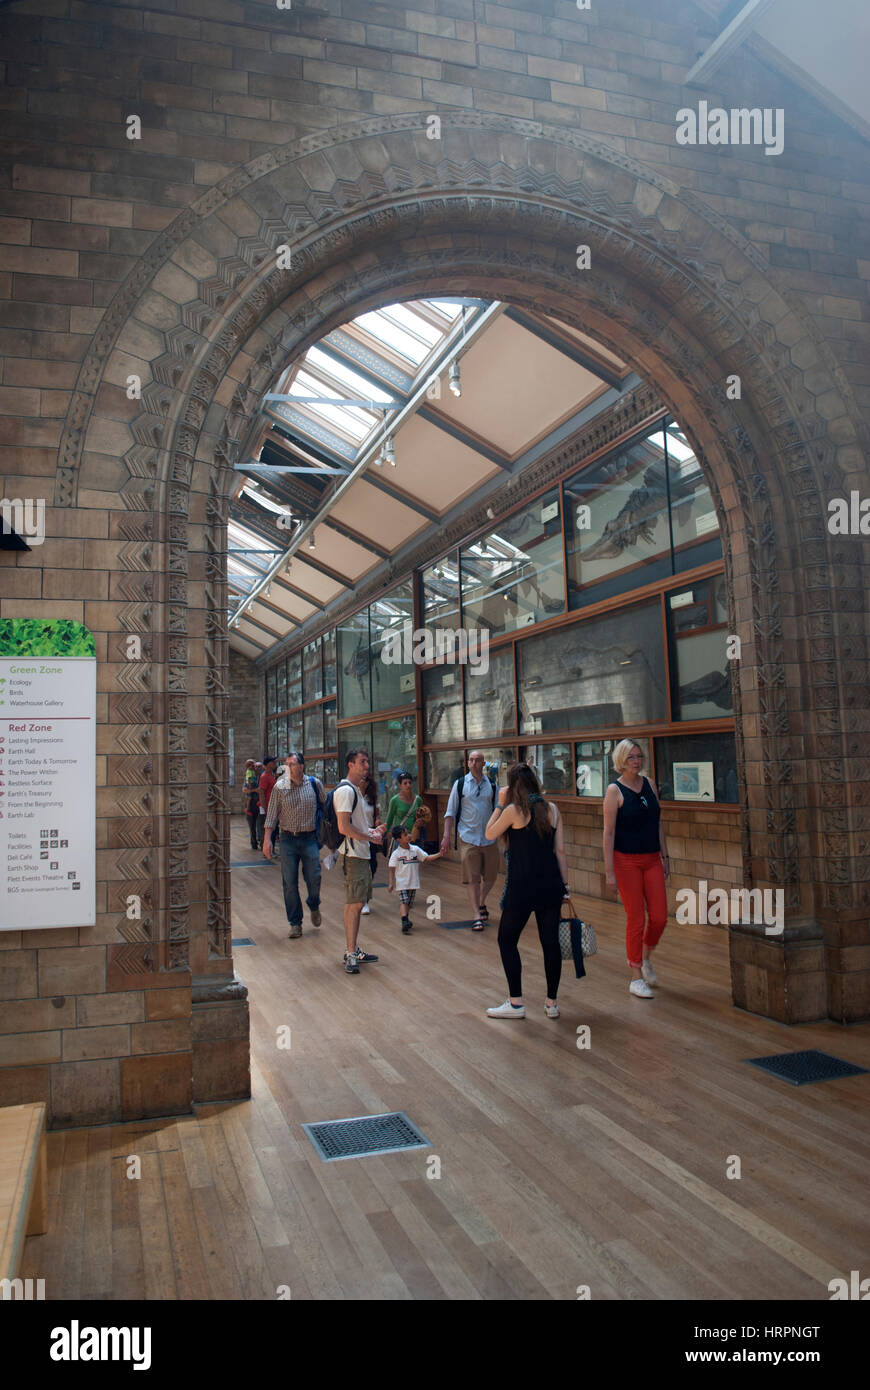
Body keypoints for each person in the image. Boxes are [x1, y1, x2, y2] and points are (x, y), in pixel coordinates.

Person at [482, 762, 571, 1020]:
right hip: (551, 886)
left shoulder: (512, 811)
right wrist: (566, 887)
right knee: (550, 944)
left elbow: (489, 833)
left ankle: (516, 1002)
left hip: (521, 888)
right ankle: (552, 1003)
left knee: (507, 940)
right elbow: (561, 852)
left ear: (513, 787)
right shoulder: (552, 809)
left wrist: (499, 804)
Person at [603, 739, 670, 999]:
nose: (637, 761)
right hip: (626, 861)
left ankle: (645, 956)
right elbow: (608, 834)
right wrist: (609, 872)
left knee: (660, 916)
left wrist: (665, 855)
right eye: (631, 757)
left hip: (652, 858)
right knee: (636, 918)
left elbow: (658, 824)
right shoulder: (614, 791)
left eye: (639, 756)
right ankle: (635, 976)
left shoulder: (650, 784)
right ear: (621, 760)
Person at [334, 748, 387, 975]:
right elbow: (343, 827)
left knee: (356, 901)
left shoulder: (355, 790)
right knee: (355, 903)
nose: (366, 766)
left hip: (361, 852)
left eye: (367, 761)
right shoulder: (346, 791)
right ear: (350, 764)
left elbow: (355, 825)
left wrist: (372, 831)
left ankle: (353, 949)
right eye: (362, 762)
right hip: (354, 855)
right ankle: (350, 952)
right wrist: (370, 836)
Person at [262, 751, 325, 939]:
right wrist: (267, 840)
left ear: (301, 766)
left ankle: (314, 904)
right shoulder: (279, 787)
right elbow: (271, 815)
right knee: (289, 883)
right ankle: (295, 923)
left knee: (314, 877)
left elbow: (325, 806)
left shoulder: (315, 784)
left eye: (292, 764)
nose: (288, 768)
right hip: (288, 839)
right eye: (286, 764)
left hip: (309, 838)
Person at [440, 750, 500, 931]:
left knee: (490, 877)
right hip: (468, 837)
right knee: (473, 878)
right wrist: (446, 836)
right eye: (471, 760)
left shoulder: (492, 784)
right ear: (467, 763)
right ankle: (476, 915)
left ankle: (481, 901)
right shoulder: (460, 785)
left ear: (483, 763)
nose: (474, 763)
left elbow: (498, 810)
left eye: (478, 760)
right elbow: (450, 812)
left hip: (489, 838)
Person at [388, 825, 441, 933]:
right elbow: (392, 869)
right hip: (402, 883)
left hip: (413, 883)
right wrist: (390, 883)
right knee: (404, 901)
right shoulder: (396, 854)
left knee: (408, 904)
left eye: (408, 833)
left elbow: (426, 858)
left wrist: (440, 854)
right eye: (405, 834)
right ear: (398, 839)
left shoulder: (415, 850)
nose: (409, 836)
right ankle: (404, 920)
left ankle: (406, 920)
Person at [360, 769, 382, 916]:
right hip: (356, 836)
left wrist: (378, 824)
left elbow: (376, 816)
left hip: (371, 835)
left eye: (367, 780)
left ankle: (365, 896)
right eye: (362, 779)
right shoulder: (351, 794)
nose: (364, 782)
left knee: (372, 865)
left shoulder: (371, 798)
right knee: (360, 868)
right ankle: (363, 900)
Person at [386, 772, 423, 839]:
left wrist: (421, 821)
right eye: (405, 783)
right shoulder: (394, 800)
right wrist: (385, 835)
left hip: (414, 837)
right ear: (400, 785)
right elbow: (389, 820)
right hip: (401, 838)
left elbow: (422, 817)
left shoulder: (418, 800)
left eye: (410, 782)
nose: (408, 785)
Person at [257, 756, 277, 853]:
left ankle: (271, 850)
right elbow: (261, 792)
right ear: (268, 764)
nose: (274, 763)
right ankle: (266, 850)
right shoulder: (264, 776)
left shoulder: (271, 775)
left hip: (272, 806)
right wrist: (265, 808)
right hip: (267, 807)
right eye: (272, 762)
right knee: (266, 829)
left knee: (273, 829)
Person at [243, 759, 259, 850]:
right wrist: (253, 789)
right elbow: (246, 788)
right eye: (254, 766)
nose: (256, 767)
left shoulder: (256, 775)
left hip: (257, 802)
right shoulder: (249, 773)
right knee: (252, 824)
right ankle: (254, 843)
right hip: (252, 800)